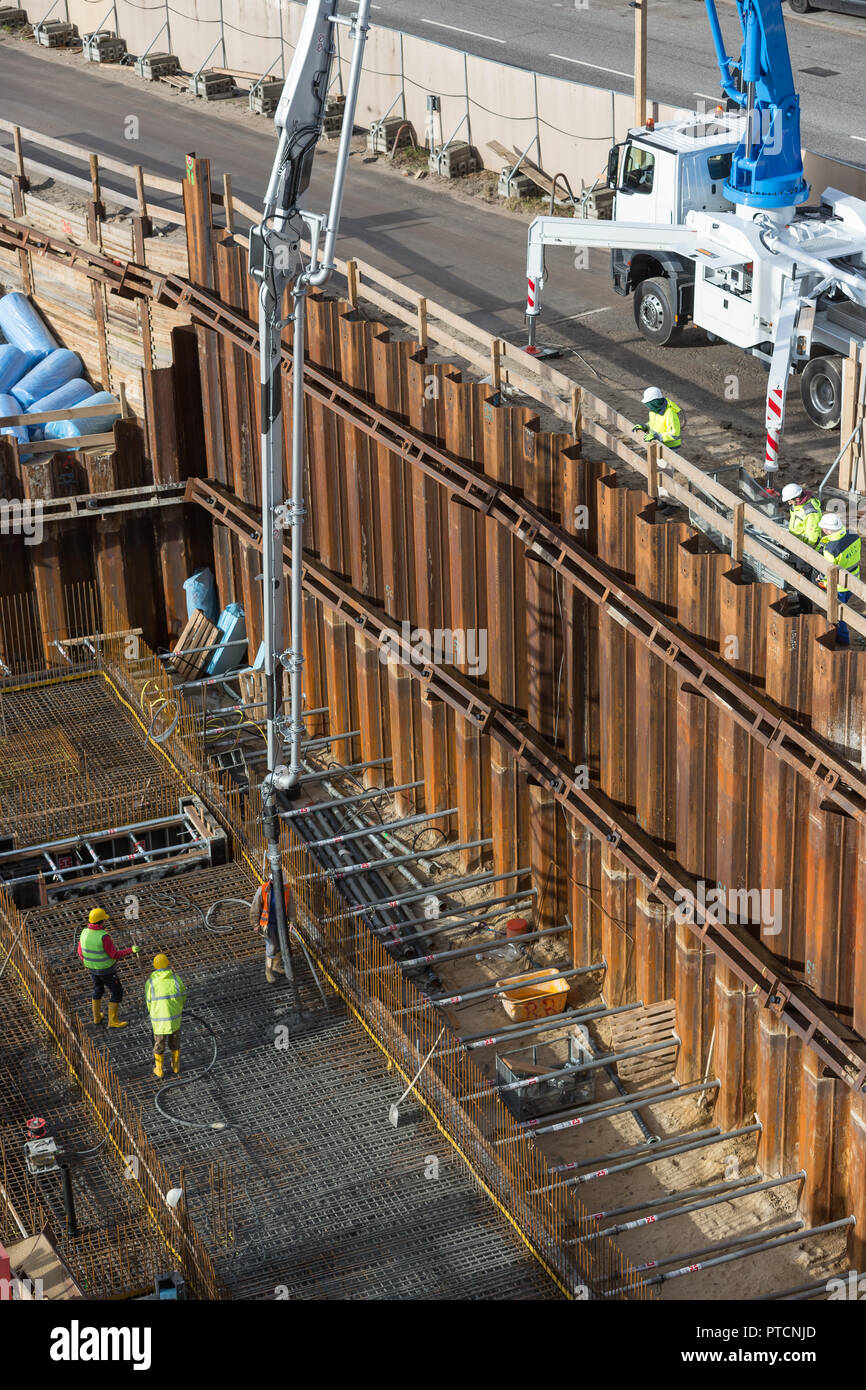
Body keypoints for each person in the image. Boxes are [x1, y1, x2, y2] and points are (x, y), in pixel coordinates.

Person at [78, 906, 139, 1029]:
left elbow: (80, 952)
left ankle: (96, 1018)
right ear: (101, 921)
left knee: (98, 990)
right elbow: (114, 955)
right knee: (117, 992)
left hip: (92, 968)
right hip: (106, 970)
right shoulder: (103, 936)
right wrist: (131, 950)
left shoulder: (84, 932)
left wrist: (90, 962)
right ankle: (113, 1021)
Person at [817, 512, 861, 648]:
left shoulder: (831, 549)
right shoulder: (853, 535)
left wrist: (821, 580)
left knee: (839, 613)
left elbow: (828, 570)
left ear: (828, 530)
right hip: (854, 580)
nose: (823, 531)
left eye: (824, 529)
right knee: (844, 606)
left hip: (839, 586)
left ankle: (843, 639)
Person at [781, 482, 823, 614]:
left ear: (797, 499)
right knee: (797, 577)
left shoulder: (810, 512)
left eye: (790, 501)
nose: (789, 503)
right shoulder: (797, 505)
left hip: (805, 551)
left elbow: (812, 538)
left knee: (803, 580)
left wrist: (804, 560)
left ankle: (805, 610)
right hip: (796, 546)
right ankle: (802, 606)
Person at [145, 953, 186, 1079]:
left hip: (159, 1022)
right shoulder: (175, 979)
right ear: (168, 964)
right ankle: (175, 1066)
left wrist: (153, 1013)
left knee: (159, 1045)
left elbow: (149, 1002)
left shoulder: (150, 982)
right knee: (175, 1043)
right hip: (175, 1019)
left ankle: (159, 1069)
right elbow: (183, 996)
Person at [249, 878, 296, 983]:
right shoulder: (263, 889)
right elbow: (255, 907)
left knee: (280, 945)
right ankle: (268, 971)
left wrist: (292, 921)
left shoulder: (287, 889)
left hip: (281, 923)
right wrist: (255, 924)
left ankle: (276, 966)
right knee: (271, 947)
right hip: (268, 924)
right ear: (272, 881)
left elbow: (291, 905)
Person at [633, 385, 682, 450]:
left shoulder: (670, 413)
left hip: (670, 447)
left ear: (654, 402)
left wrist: (656, 436)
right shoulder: (654, 410)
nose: (648, 406)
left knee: (659, 460)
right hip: (658, 443)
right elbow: (655, 424)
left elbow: (674, 435)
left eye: (649, 403)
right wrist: (644, 426)